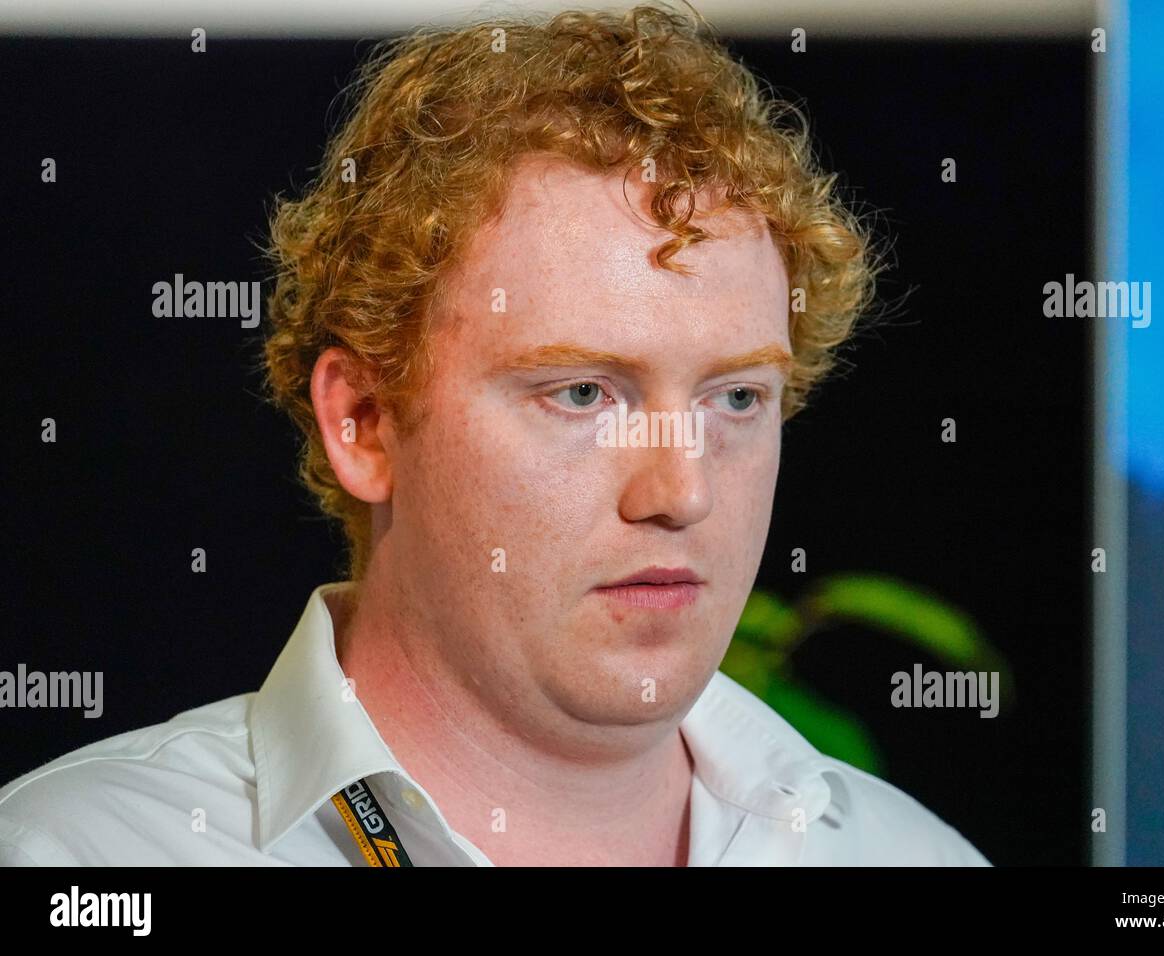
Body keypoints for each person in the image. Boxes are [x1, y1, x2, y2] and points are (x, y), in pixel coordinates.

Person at [0, 2, 989, 866]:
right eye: (581, 394)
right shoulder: (80, 858)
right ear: (364, 420)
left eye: (735, 398)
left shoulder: (913, 858)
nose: (680, 490)